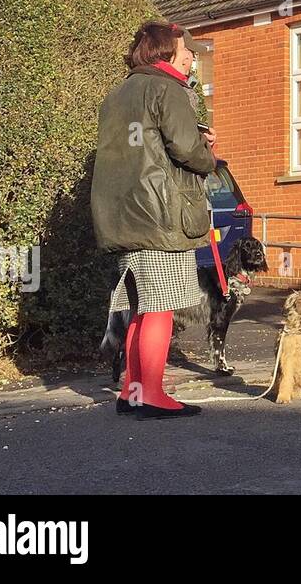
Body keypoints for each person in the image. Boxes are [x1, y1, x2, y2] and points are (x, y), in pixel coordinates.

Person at [92, 21, 217, 419]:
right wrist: (207, 152)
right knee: (160, 307)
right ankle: (153, 395)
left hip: (122, 217)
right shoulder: (168, 88)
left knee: (140, 307)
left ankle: (132, 392)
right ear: (166, 52)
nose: (193, 57)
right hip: (160, 216)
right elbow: (186, 150)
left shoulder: (117, 94)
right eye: (187, 51)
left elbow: (140, 145)